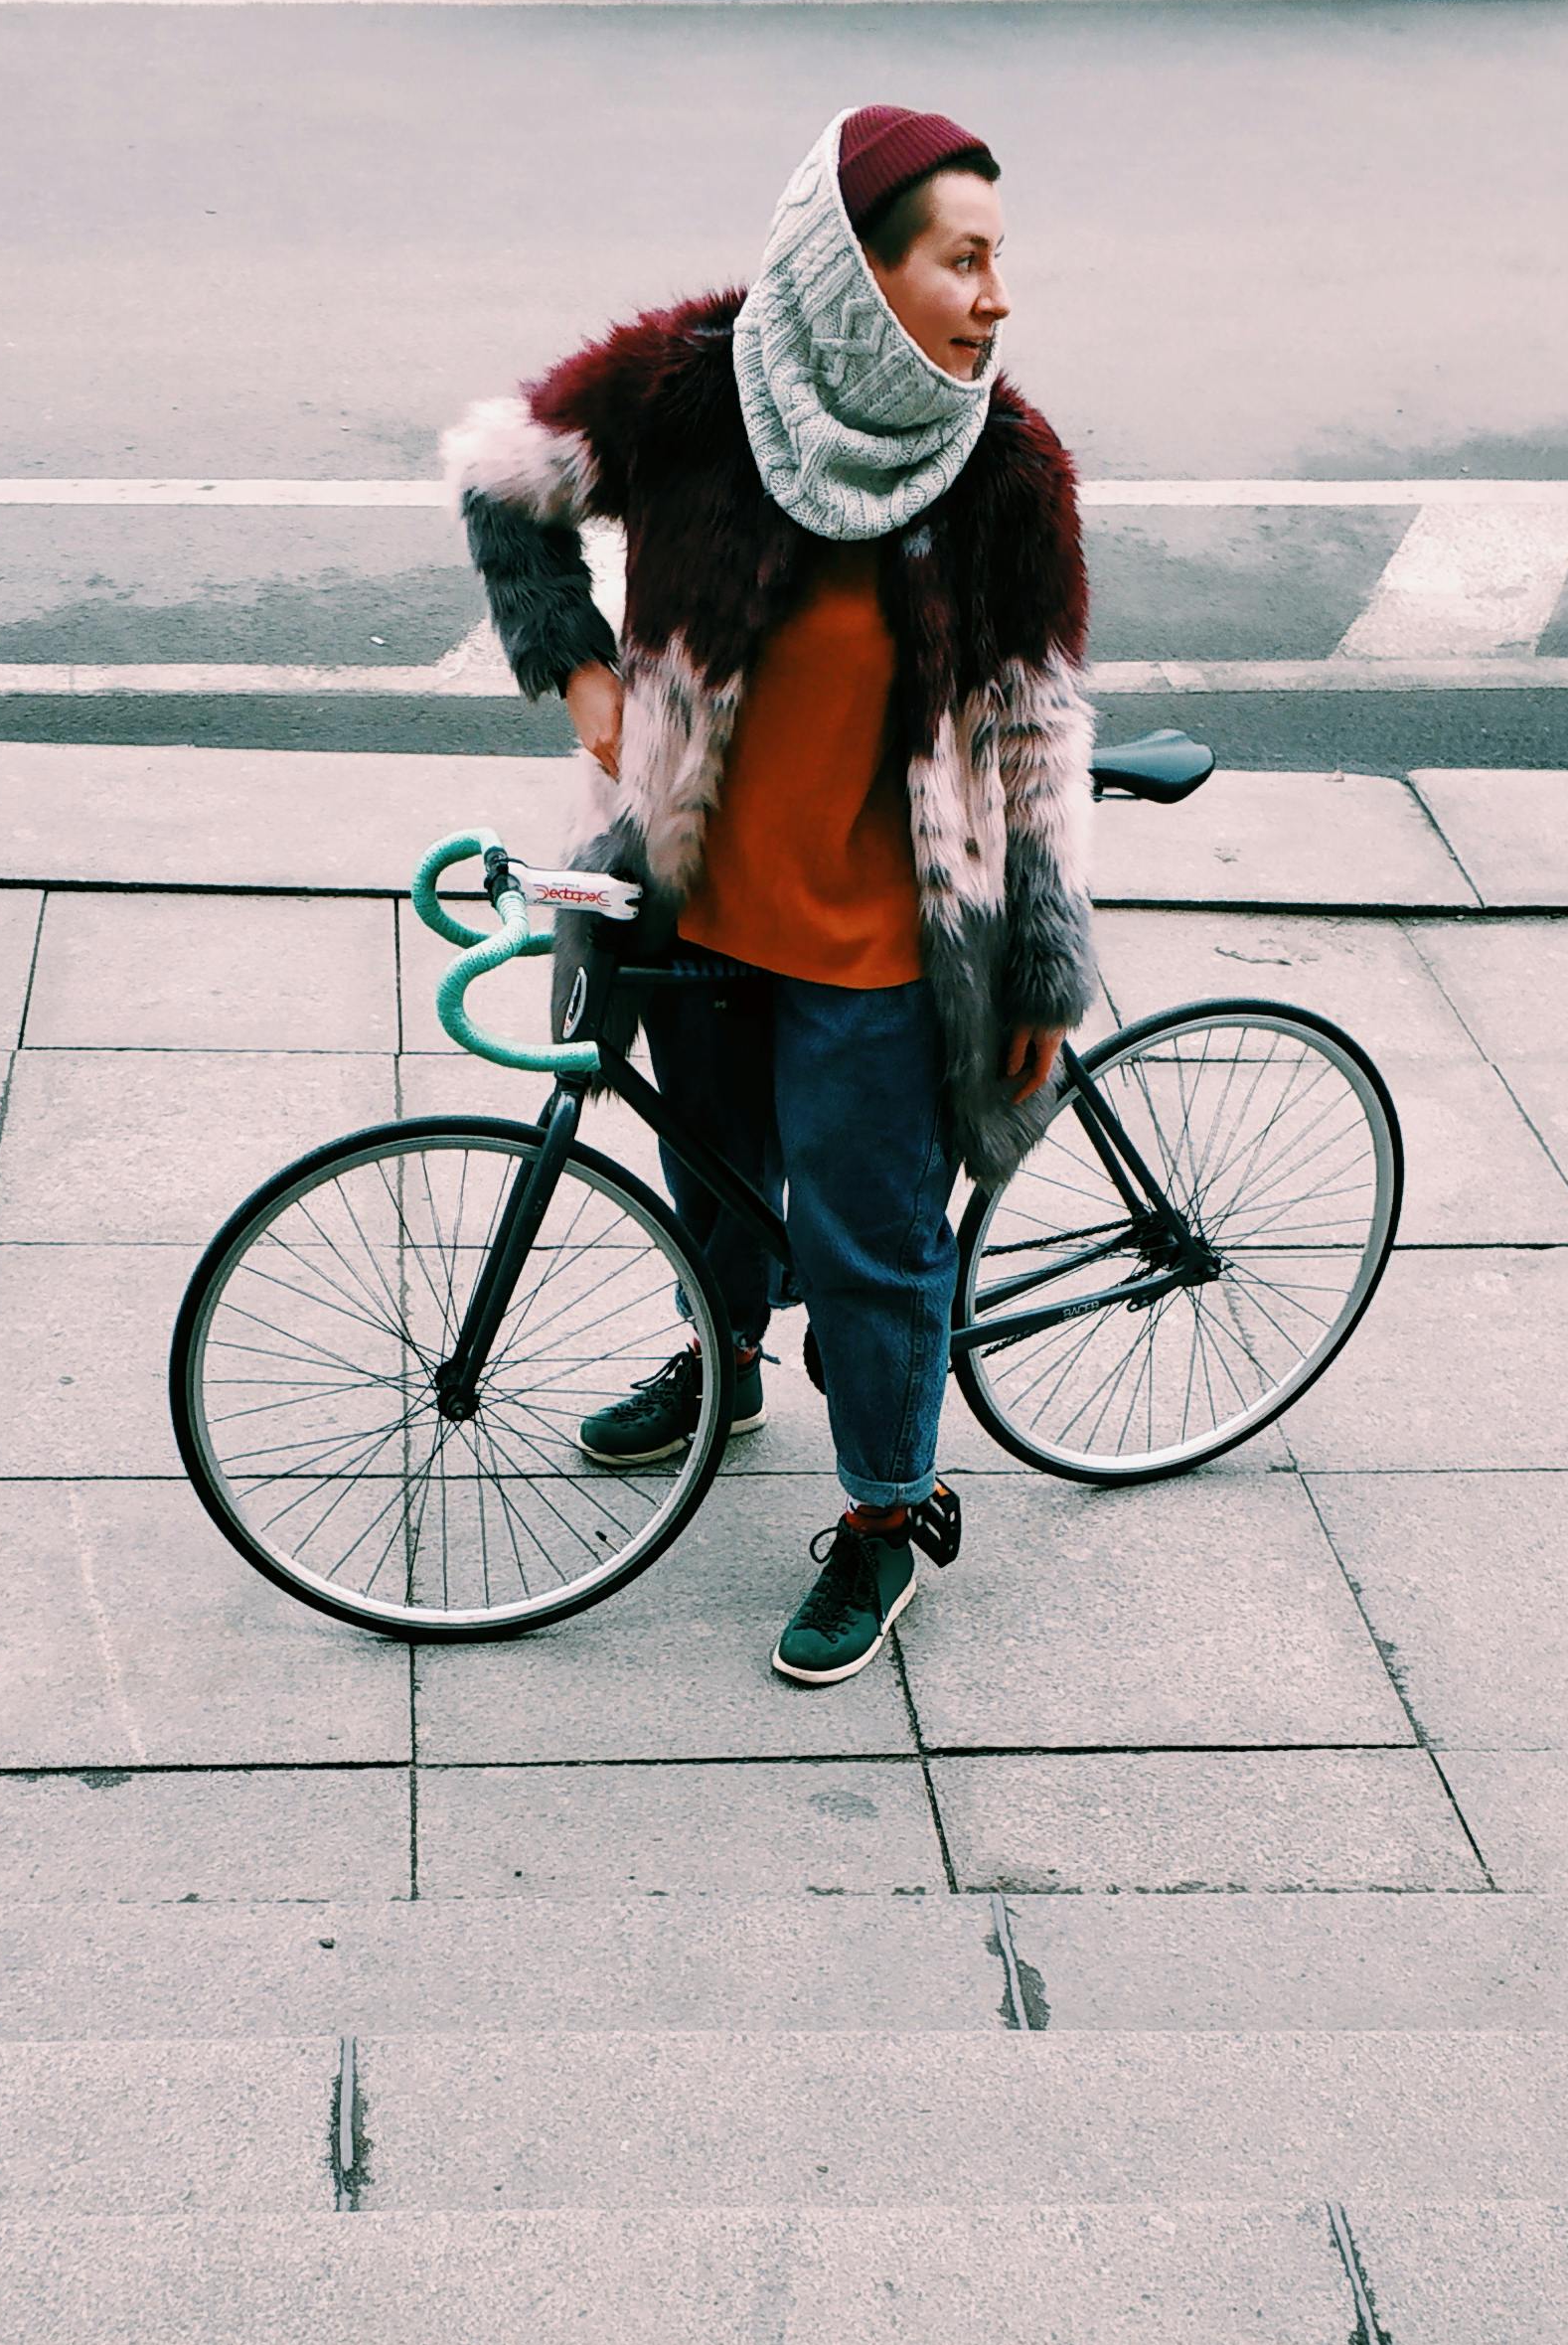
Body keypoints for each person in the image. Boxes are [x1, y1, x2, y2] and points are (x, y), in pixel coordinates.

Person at [442, 102, 1097, 1684]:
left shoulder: (1002, 466)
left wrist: (1038, 971)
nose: (998, 298)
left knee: (874, 1250)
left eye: (998, 260)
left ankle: (884, 1518)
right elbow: (497, 477)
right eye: (963, 260)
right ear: (857, 271)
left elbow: (1030, 730)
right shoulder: (689, 390)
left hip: (886, 936)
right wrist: (579, 666)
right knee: (713, 1167)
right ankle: (722, 1355)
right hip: (690, 895)